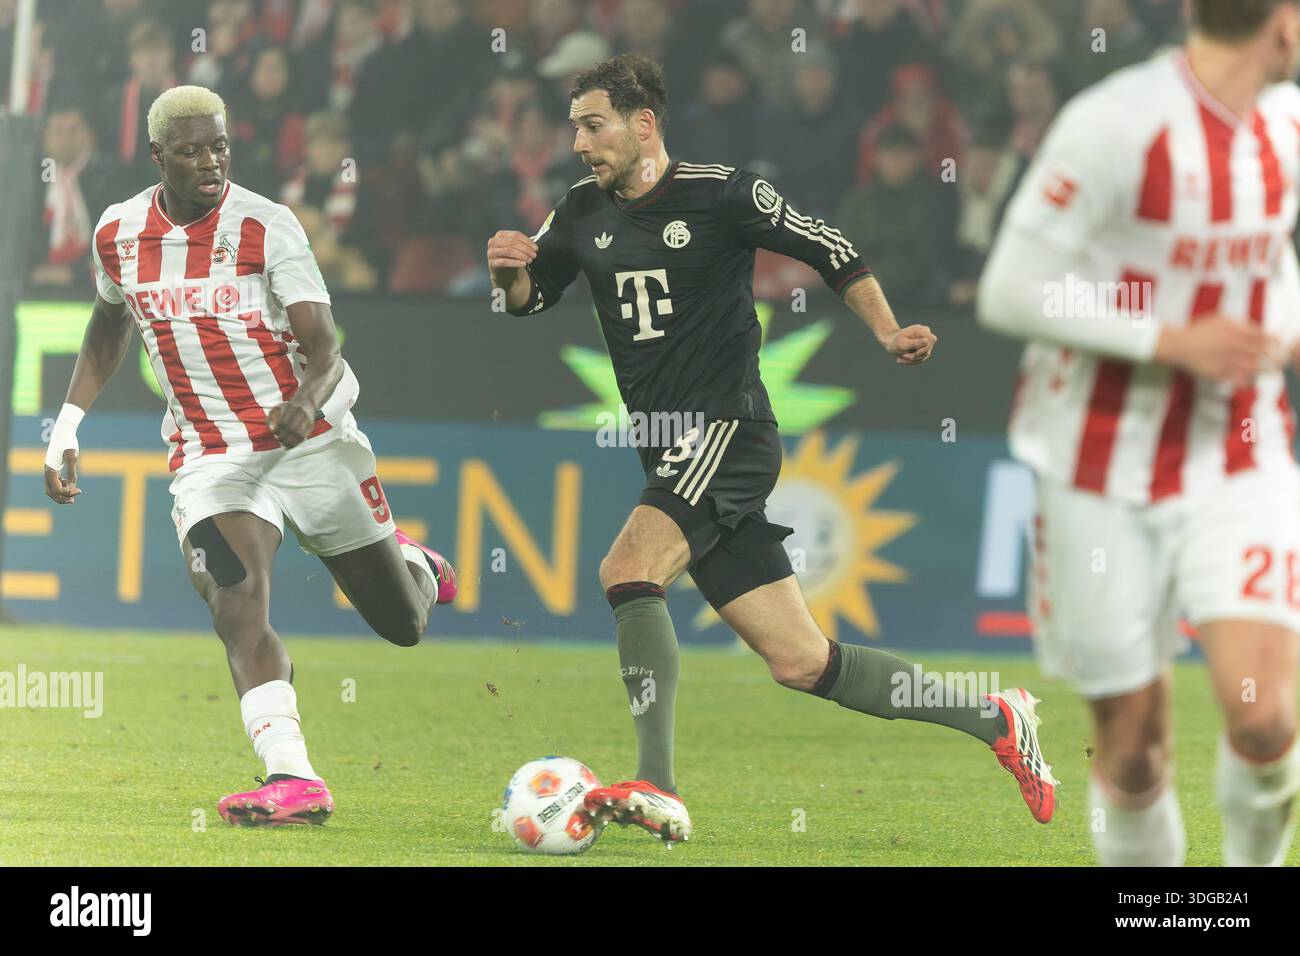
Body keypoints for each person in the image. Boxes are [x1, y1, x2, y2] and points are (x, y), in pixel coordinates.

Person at [486, 54, 1057, 844]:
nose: (579, 143)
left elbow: (830, 247)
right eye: (575, 128)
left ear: (643, 123)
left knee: (627, 569)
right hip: (669, 452)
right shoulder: (580, 211)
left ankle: (659, 784)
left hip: (728, 431)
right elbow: (529, 299)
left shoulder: (723, 191)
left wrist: (889, 331)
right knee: (802, 661)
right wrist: (510, 275)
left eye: (593, 125)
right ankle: (995, 716)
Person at [42, 85, 457, 827]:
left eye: (221, 146)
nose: (211, 161)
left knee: (403, 624)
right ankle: (293, 777)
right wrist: (67, 423)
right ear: (158, 156)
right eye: (193, 149)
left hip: (312, 441)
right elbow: (109, 325)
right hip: (210, 456)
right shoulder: (118, 233)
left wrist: (304, 401)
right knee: (234, 602)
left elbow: (327, 348)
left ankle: (414, 565)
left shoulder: (268, 226)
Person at [978, 0, 1300, 866]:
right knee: (1131, 748)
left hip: (1239, 449)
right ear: (1282, 24)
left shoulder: (1286, 126)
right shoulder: (1117, 125)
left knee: (1267, 715)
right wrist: (1166, 339)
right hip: (1096, 464)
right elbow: (1010, 287)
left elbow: (1270, 256)